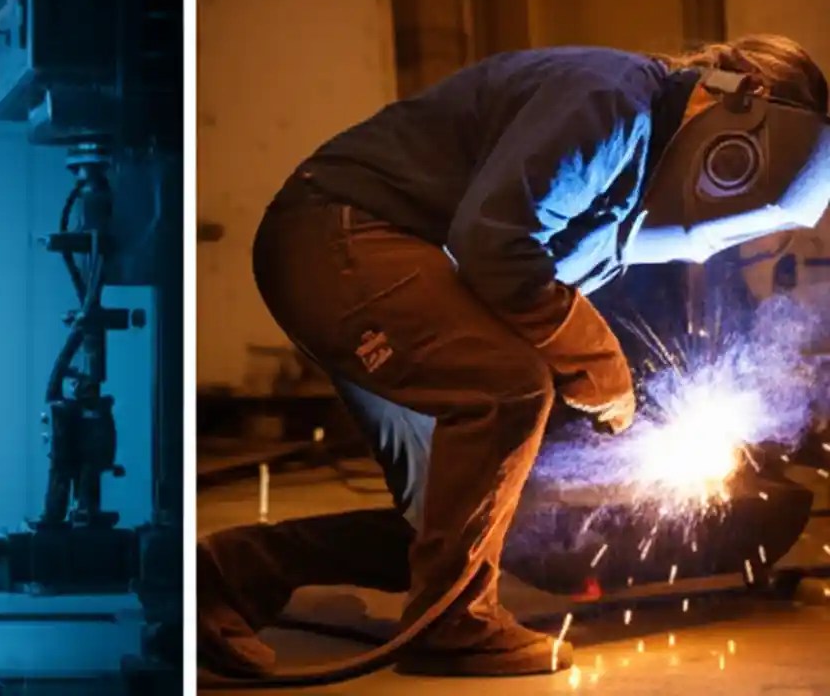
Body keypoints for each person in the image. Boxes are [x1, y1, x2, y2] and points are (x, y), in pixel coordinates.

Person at [199, 35, 829, 678]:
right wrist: (596, 359)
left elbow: (521, 290)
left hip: (377, 257)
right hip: (339, 235)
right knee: (506, 389)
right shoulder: (614, 105)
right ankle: (452, 626)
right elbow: (496, 243)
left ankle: (224, 576)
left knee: (461, 524)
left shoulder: (639, 177)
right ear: (737, 103)